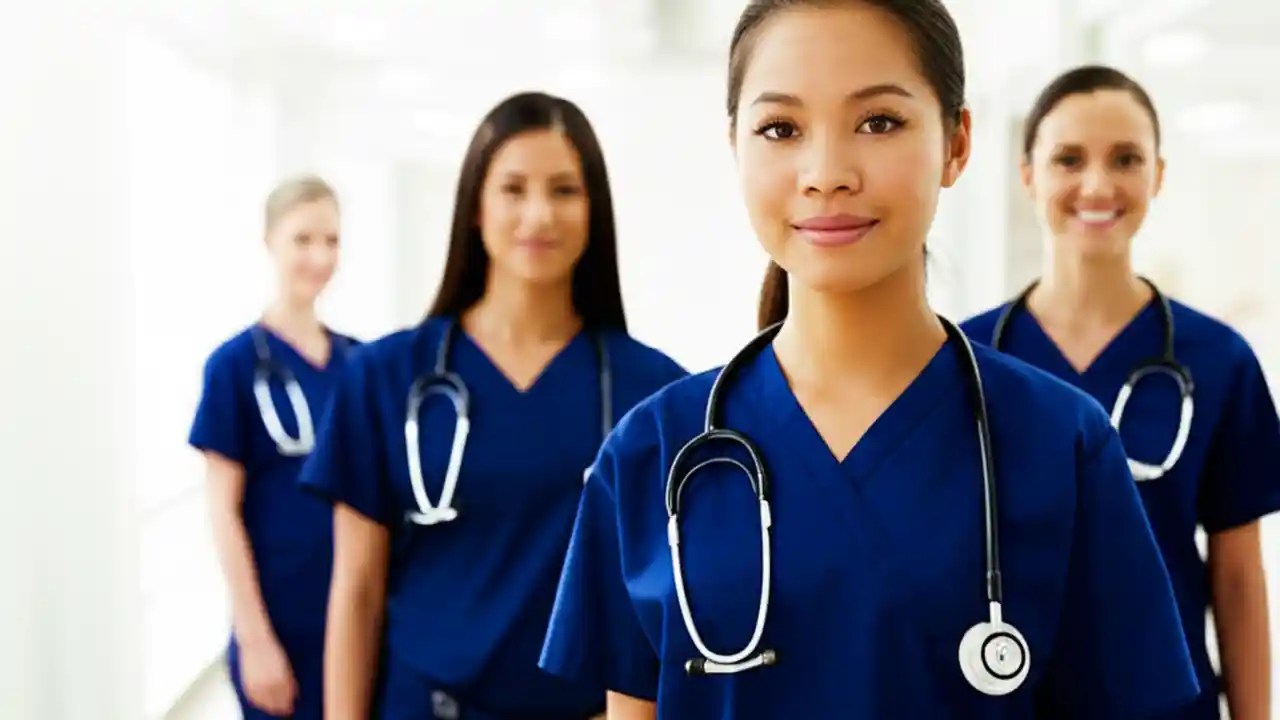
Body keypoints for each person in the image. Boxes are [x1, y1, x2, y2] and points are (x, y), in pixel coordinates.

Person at [538, 2, 1203, 717]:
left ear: (956, 142)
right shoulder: (652, 450)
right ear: (735, 146)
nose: (826, 173)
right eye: (781, 129)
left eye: (879, 122)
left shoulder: (1062, 443)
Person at [300, 91, 687, 720]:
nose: (539, 214)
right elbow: (357, 593)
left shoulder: (655, 395)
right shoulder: (384, 378)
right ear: (475, 207)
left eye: (564, 190)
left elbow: (664, 605)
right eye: (513, 189)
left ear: (595, 211)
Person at [962, 65, 1279, 720]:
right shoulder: (965, 360)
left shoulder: (1219, 361)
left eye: (1126, 159)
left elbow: (1240, 578)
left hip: (1167, 701)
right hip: (1006, 697)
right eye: (1069, 159)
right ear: (1029, 174)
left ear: (1158, 174)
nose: (1098, 185)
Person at [189, 174, 358, 719]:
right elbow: (222, 510)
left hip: (356, 620)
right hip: (279, 622)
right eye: (303, 240)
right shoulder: (234, 366)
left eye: (331, 241)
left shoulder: (361, 364)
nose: (320, 256)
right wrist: (255, 638)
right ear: (269, 244)